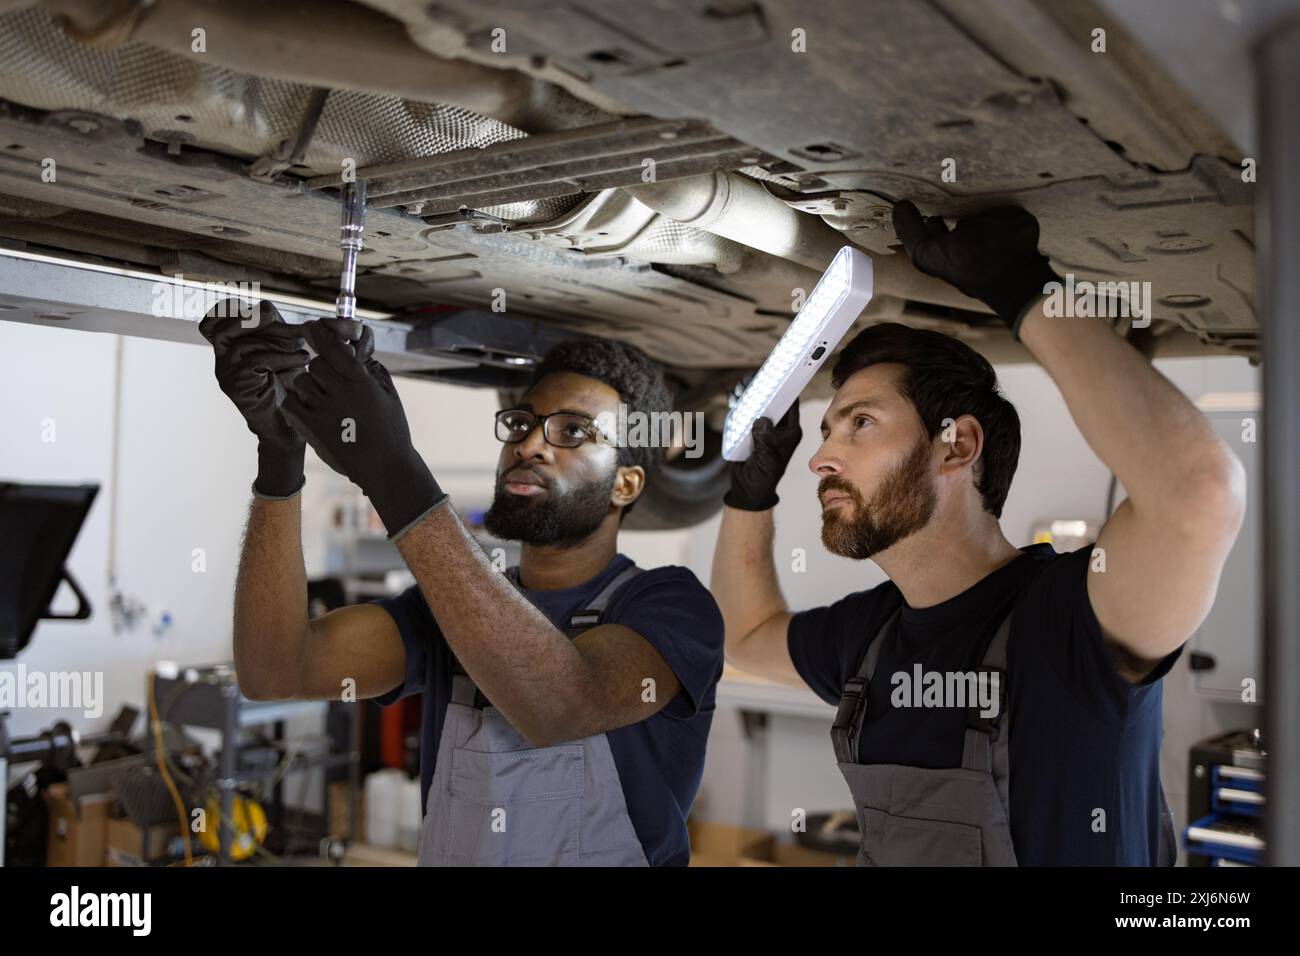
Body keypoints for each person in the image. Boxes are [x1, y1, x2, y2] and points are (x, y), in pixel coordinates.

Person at [710, 203, 1246, 865]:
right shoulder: (870, 640)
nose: (821, 459)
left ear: (957, 445)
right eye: (826, 433)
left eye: (859, 425)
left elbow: (1200, 494)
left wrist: (1022, 287)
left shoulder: (1067, 620)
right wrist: (749, 493)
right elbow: (744, 635)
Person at [203, 307, 724, 866]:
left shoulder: (670, 606)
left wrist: (390, 467)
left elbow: (560, 704)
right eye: (522, 424)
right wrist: (281, 453)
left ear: (626, 483)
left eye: (574, 431)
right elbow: (275, 670)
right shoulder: (443, 612)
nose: (530, 446)